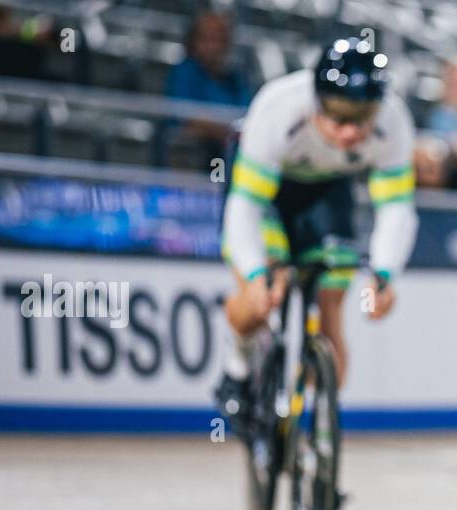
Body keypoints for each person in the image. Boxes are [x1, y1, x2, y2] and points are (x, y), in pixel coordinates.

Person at [217, 36, 417, 420]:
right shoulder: (278, 108)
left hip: (328, 189)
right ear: (316, 100)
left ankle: (318, 436)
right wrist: (257, 273)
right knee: (263, 298)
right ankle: (237, 364)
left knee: (330, 309)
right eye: (338, 115)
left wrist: (385, 275)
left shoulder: (393, 121)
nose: (349, 132)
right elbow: (245, 207)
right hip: (267, 196)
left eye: (362, 117)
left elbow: (396, 208)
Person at [166, 10, 254, 167]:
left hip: (225, 154)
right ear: (193, 42)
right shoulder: (185, 72)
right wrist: (223, 131)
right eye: (206, 39)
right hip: (193, 154)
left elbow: (245, 117)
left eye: (219, 39)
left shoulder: (235, 79)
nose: (213, 46)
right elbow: (187, 119)